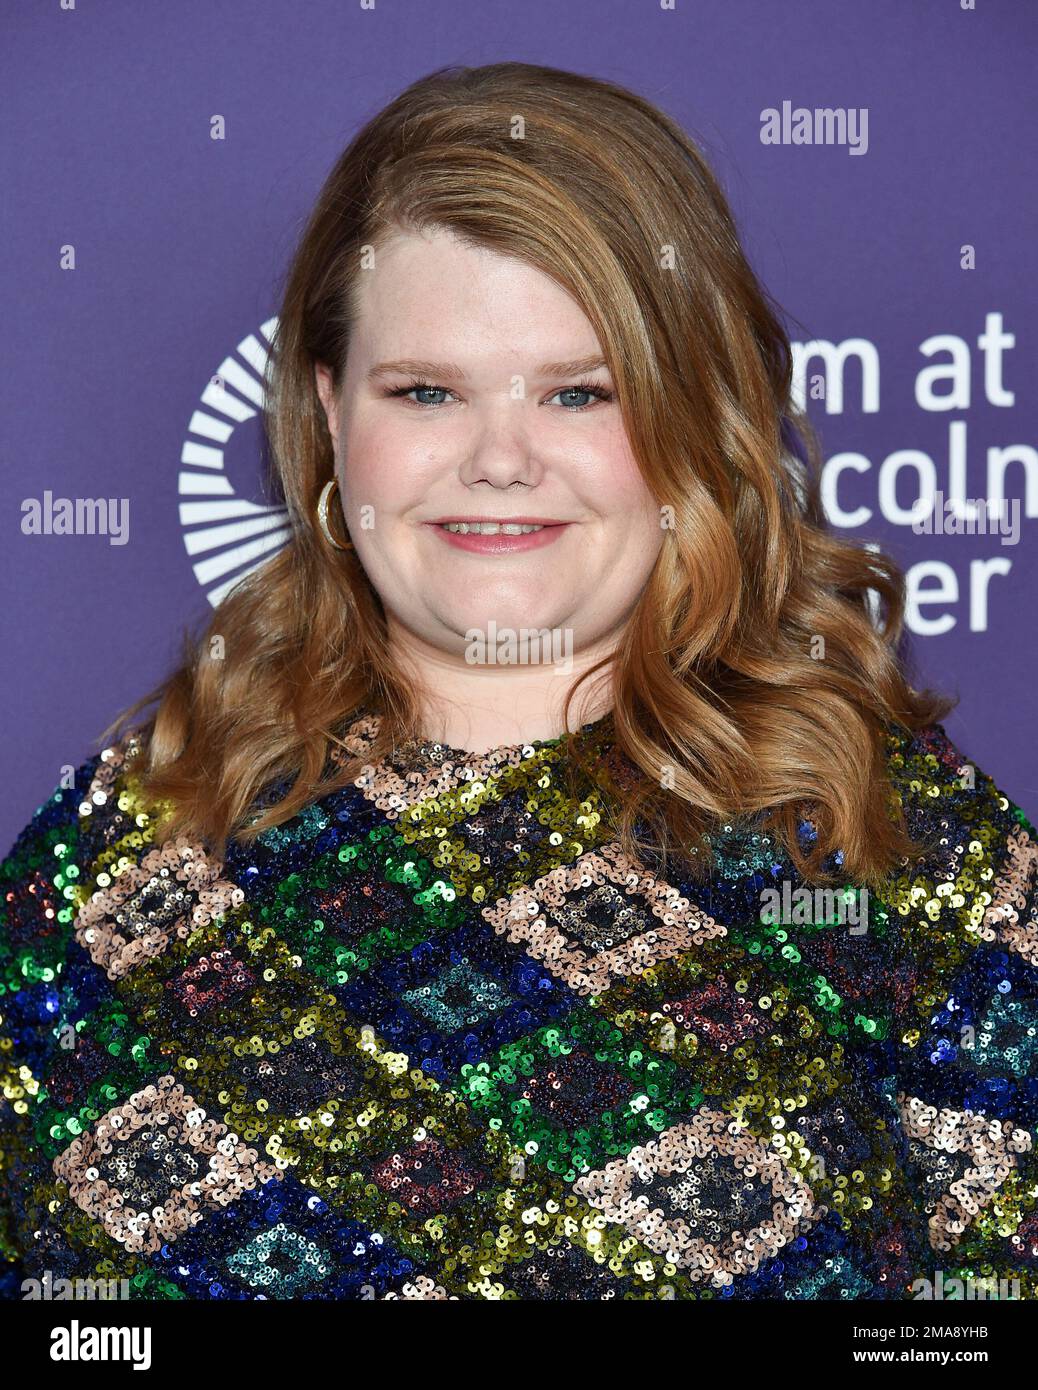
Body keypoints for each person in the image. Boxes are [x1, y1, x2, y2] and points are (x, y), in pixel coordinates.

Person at [1, 61, 1035, 1303]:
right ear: (329, 411)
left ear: (691, 420)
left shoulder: (884, 846)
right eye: (427, 391)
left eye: (578, 392)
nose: (500, 459)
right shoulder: (127, 861)